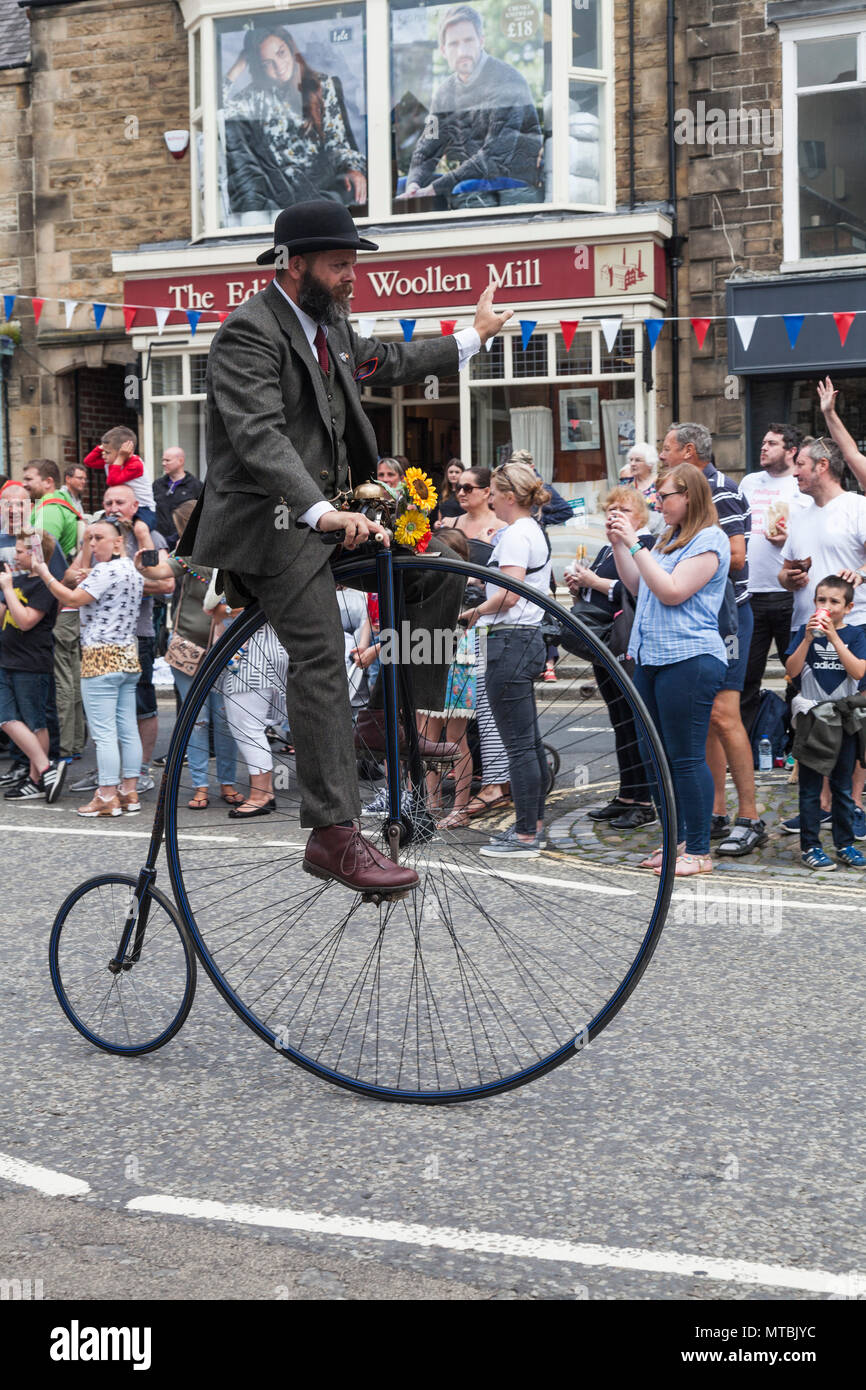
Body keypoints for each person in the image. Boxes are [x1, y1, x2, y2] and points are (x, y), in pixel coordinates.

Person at [180, 198, 510, 896]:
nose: (350, 276)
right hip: (269, 527)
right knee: (322, 647)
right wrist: (321, 510)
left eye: (353, 263)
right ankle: (333, 832)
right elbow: (260, 436)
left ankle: (385, 720)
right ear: (293, 265)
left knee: (441, 561)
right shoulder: (247, 333)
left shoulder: (331, 329)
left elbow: (391, 359)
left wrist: (470, 338)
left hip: (330, 518)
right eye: (338, 264)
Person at [610, 463, 730, 877]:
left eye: (665, 496)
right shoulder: (667, 538)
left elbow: (674, 592)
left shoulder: (710, 539)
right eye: (656, 496)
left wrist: (636, 543)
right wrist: (622, 546)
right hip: (652, 657)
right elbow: (641, 587)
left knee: (684, 757)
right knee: (652, 754)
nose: (658, 503)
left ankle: (698, 850)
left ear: (690, 496)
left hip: (689, 659)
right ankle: (676, 842)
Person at [659, 423, 765, 857]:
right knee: (705, 718)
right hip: (697, 619)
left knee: (724, 713)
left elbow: (738, 555)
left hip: (728, 616)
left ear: (688, 451)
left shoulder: (720, 490)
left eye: (667, 449)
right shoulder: (679, 491)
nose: (662, 456)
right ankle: (717, 810)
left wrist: (697, 543)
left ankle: (750, 816)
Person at [460, 461, 552, 858]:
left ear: (509, 496)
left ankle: (526, 834)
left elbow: (511, 594)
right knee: (527, 741)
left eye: (495, 492)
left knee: (517, 744)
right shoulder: (527, 531)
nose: (490, 497)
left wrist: (475, 611)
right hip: (525, 640)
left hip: (509, 640)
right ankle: (535, 824)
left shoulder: (516, 534)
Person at [778, 436, 866, 839]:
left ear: (823, 466)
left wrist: (861, 576)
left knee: (853, 717)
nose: (794, 472)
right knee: (814, 715)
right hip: (805, 624)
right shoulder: (799, 513)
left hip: (855, 622)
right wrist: (790, 576)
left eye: (800, 465)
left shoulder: (856, 507)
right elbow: (785, 571)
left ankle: (854, 804)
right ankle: (822, 806)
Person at [33, 517, 144, 817]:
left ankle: (107, 795)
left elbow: (70, 597)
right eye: (90, 538)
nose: (93, 544)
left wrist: (45, 573)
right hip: (127, 656)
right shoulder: (129, 570)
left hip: (100, 658)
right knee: (126, 728)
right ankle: (128, 791)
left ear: (118, 541)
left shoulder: (106, 570)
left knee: (105, 732)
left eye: (99, 538)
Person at [135, 501, 241, 810]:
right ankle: (200, 786)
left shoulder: (234, 553)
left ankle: (228, 782)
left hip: (225, 646)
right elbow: (162, 570)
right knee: (198, 719)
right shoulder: (191, 554)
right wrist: (145, 565)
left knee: (223, 720)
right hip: (189, 647)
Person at [566, 486, 655, 829]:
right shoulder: (607, 547)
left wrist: (594, 581)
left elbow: (636, 591)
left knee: (634, 720)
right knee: (619, 721)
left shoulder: (644, 543)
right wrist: (580, 586)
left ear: (641, 515)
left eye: (625, 510)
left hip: (628, 641)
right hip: (604, 641)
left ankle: (644, 800)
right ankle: (627, 795)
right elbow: (602, 590)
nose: (616, 514)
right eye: (611, 509)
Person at [399, 4, 543, 210]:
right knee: (402, 187)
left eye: (468, 41)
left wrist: (435, 188)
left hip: (514, 183)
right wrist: (414, 183)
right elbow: (427, 147)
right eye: (454, 44)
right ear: (443, 50)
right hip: (474, 177)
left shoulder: (507, 81)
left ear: (481, 41)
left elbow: (494, 157)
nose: (462, 51)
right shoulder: (444, 93)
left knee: (462, 190)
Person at [223, 24, 367, 215]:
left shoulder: (321, 85)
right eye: (267, 63)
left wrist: (352, 169)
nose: (278, 66)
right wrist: (240, 63)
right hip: (281, 191)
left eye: (281, 53)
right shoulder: (255, 96)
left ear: (291, 50)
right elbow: (215, 109)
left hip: (322, 183)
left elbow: (336, 143)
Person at [785, 575, 866, 870]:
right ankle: (811, 845)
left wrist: (834, 637)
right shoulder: (804, 634)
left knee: (842, 786)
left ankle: (845, 843)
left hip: (843, 719)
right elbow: (791, 671)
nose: (826, 607)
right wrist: (808, 639)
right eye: (821, 600)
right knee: (809, 787)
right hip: (813, 720)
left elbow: (858, 672)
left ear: (848, 607)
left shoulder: (856, 635)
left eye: (834, 602)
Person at [739, 422, 808, 735]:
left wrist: (788, 541)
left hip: (788, 595)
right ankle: (750, 745)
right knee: (746, 676)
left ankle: (797, 745)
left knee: (797, 674)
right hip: (750, 594)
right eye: (763, 442)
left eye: (772, 443)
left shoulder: (799, 486)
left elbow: (812, 538)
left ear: (791, 451)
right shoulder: (749, 482)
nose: (764, 447)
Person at [0, 531, 66, 803]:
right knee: (5, 717)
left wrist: (6, 590)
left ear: (36, 555)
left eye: (19, 551)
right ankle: (46, 768)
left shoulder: (44, 586)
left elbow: (27, 620)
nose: (14, 556)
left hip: (31, 661)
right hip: (6, 658)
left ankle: (36, 779)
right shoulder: (15, 580)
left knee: (34, 720)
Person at [219, 623, 288, 818]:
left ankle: (259, 797)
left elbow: (224, 606)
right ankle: (265, 793)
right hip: (266, 653)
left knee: (249, 731)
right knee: (251, 730)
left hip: (252, 659)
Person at [83, 429, 157, 531]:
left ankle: (147, 547)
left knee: (140, 530)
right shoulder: (110, 461)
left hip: (142, 507)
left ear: (124, 452)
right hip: (120, 506)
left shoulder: (136, 464)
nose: (103, 454)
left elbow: (112, 481)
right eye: (103, 451)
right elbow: (88, 461)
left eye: (107, 452)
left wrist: (121, 457)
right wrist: (102, 447)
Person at [22, 459, 82, 562]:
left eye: (28, 479)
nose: (23, 484)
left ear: (48, 482)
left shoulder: (49, 510)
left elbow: (41, 553)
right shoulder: (57, 501)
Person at [152, 447, 203, 549]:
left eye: (167, 460)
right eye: (163, 460)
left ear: (181, 461)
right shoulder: (157, 485)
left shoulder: (196, 486)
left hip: (183, 543)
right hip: (160, 543)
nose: (163, 463)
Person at [620, 442, 660, 511]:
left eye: (637, 460)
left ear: (650, 464)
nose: (632, 464)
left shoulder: (660, 483)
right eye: (631, 460)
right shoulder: (626, 484)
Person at [433, 458, 465, 527]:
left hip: (460, 532)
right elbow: (440, 512)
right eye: (451, 472)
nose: (453, 475)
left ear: (463, 473)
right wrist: (438, 523)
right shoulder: (443, 493)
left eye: (457, 472)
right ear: (447, 474)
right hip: (444, 532)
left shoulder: (465, 492)